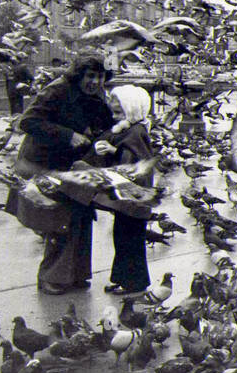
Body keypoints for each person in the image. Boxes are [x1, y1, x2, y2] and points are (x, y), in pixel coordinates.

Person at [14, 55, 113, 295]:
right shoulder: (57, 90)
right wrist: (67, 134)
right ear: (79, 75)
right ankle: (51, 277)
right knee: (59, 221)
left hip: (73, 164)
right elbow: (27, 122)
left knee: (80, 216)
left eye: (99, 77)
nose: (95, 82)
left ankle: (76, 274)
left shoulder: (96, 94)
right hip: (44, 163)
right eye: (90, 76)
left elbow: (104, 122)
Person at [94, 85, 154, 296]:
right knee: (122, 238)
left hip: (133, 199)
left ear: (132, 110)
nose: (114, 116)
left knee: (130, 241)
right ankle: (121, 278)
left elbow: (135, 162)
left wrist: (113, 151)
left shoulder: (136, 132)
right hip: (128, 199)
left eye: (119, 112)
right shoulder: (130, 129)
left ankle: (134, 283)